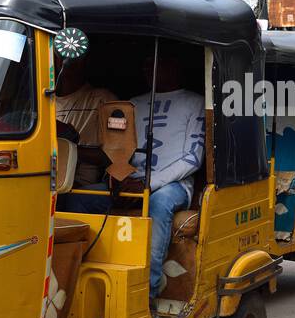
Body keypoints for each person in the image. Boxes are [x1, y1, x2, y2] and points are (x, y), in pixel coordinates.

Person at [64, 51, 205, 299]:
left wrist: (148, 184)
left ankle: (146, 292)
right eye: (146, 64)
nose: (147, 69)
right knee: (77, 200)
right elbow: (117, 150)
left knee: (159, 204)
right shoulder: (132, 105)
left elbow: (192, 159)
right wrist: (118, 176)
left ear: (174, 67)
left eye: (156, 64)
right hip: (133, 181)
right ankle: (78, 281)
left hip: (174, 186)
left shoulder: (195, 103)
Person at [54, 53, 115, 186]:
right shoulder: (41, 103)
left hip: (80, 186)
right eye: (60, 56)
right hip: (43, 181)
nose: (67, 61)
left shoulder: (103, 99)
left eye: (76, 57)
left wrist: (67, 150)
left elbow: (114, 155)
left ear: (86, 61)